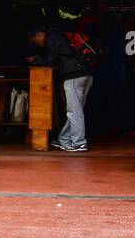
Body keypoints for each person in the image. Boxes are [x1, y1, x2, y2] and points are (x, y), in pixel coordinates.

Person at [27, 22, 94, 152]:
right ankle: (64, 138)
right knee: (76, 110)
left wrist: (36, 61)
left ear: (39, 34)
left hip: (74, 76)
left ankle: (79, 143)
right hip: (86, 74)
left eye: (36, 41)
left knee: (74, 111)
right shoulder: (62, 34)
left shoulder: (52, 38)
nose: (37, 44)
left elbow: (50, 61)